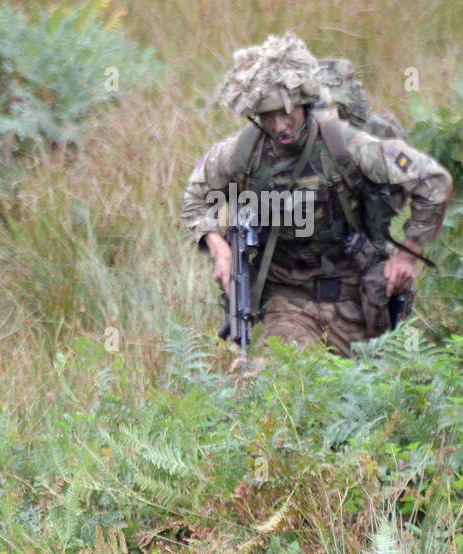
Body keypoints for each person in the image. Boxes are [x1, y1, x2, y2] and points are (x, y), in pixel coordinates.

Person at [181, 32, 452, 356]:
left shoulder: (348, 146)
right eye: (267, 117)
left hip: (360, 302)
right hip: (288, 304)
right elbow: (195, 197)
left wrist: (407, 256)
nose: (280, 126)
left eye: (287, 112)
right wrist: (219, 248)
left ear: (304, 101)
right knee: (286, 379)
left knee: (384, 384)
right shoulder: (241, 153)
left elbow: (434, 182)